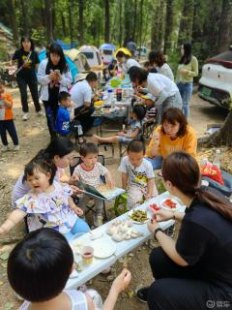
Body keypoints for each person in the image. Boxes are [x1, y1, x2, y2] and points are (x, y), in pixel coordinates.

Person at [136, 151, 232, 309]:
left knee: (158, 293)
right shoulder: (207, 193)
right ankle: (175, 296)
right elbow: (204, 223)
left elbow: (180, 258)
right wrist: (173, 215)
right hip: (214, 269)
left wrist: (157, 230)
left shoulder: (196, 220)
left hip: (224, 296)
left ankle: (167, 297)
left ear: (169, 185)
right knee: (158, 257)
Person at [7, 228, 131, 310]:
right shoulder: (82, 302)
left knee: (93, 294)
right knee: (93, 296)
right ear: (71, 269)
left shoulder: (24, 307)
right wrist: (115, 290)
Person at [0, 157, 90, 240]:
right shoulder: (31, 198)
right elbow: (18, 212)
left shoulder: (57, 185)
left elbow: (66, 197)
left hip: (68, 218)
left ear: (48, 175)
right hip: (52, 229)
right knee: (68, 243)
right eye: (29, 179)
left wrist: (73, 207)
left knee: (84, 229)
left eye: (36, 178)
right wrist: (4, 228)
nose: (33, 182)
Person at [11, 136, 77, 231]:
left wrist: (70, 181)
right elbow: (49, 193)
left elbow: (60, 179)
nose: (71, 162)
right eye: (69, 158)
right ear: (57, 157)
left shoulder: (53, 162)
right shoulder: (44, 169)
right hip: (25, 200)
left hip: (38, 193)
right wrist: (70, 190)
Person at [72, 143, 114, 227]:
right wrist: (75, 178)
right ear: (82, 158)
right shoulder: (78, 169)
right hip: (85, 190)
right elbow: (74, 179)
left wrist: (109, 178)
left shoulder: (98, 165)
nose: (93, 160)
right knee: (83, 200)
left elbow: (106, 172)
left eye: (95, 157)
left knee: (99, 197)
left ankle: (98, 216)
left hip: (98, 189)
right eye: (90, 158)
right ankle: (81, 215)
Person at [38, 43, 72, 137]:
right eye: (53, 55)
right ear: (49, 54)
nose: (55, 58)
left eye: (57, 56)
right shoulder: (43, 64)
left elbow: (69, 82)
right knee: (50, 119)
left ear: (61, 56)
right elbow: (40, 80)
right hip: (48, 98)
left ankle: (64, 135)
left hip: (61, 98)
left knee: (63, 117)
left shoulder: (65, 65)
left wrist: (61, 78)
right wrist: (49, 77)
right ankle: (54, 138)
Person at [118, 140, 158, 209]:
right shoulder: (125, 160)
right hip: (134, 185)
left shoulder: (147, 164)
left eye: (139, 159)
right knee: (134, 201)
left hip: (147, 184)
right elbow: (124, 175)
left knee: (154, 199)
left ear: (144, 155)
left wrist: (149, 193)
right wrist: (124, 187)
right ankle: (137, 212)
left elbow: (151, 180)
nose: (135, 161)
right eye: (132, 158)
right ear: (127, 154)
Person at [12, 36, 42, 121]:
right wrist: (18, 67)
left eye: (28, 42)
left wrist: (39, 76)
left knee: (35, 94)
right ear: (21, 43)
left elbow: (37, 66)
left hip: (32, 76)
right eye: (24, 42)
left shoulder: (34, 53)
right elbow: (13, 63)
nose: (26, 44)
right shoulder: (18, 52)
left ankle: (38, 109)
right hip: (21, 76)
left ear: (31, 43)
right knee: (23, 94)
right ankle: (25, 112)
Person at [176, 43, 198, 118]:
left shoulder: (193, 59)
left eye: (182, 48)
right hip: (179, 84)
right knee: (178, 103)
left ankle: (185, 122)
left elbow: (196, 73)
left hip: (187, 85)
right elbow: (178, 73)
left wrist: (187, 72)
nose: (181, 50)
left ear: (186, 49)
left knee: (185, 104)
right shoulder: (182, 58)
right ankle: (179, 119)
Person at [0, 80, 20, 151]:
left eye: (0, 87)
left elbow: (10, 105)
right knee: (2, 133)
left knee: (12, 131)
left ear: (3, 86)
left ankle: (16, 144)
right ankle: (5, 145)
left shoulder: (7, 94)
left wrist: (4, 99)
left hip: (8, 117)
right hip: (0, 119)